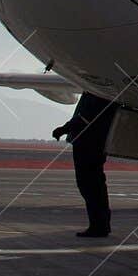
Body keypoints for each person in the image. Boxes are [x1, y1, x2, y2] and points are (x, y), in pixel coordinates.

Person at [52, 93, 118, 238]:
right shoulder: (99, 91)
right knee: (93, 186)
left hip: (89, 143)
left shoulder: (98, 91)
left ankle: (99, 226)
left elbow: (86, 117)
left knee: (90, 186)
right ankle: (100, 225)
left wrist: (64, 129)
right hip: (91, 142)